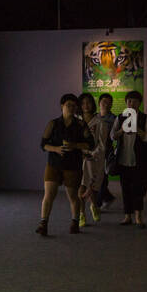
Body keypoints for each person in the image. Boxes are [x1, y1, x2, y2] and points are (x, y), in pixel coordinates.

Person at [36, 93, 91, 235]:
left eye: (73, 106)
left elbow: (90, 144)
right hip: (54, 163)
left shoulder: (80, 125)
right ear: (62, 106)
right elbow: (43, 145)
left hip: (72, 165)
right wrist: (55, 149)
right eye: (68, 105)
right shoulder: (53, 124)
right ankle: (43, 223)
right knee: (49, 194)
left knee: (73, 196)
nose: (71, 108)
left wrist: (75, 146)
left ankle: (74, 222)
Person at [110, 90, 147, 226]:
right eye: (129, 101)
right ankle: (127, 216)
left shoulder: (146, 118)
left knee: (138, 189)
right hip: (123, 160)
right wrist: (122, 130)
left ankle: (138, 217)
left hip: (139, 160)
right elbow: (112, 136)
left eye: (134, 101)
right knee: (125, 189)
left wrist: (137, 129)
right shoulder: (120, 117)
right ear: (126, 102)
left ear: (139, 103)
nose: (131, 103)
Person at [77, 93, 104, 224]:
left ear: (93, 104)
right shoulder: (76, 121)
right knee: (80, 187)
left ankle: (93, 205)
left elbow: (102, 144)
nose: (85, 106)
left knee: (90, 187)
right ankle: (81, 214)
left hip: (92, 160)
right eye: (82, 103)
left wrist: (91, 154)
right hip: (78, 159)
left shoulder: (99, 122)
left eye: (88, 102)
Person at [95, 93, 118, 206]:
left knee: (103, 177)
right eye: (104, 101)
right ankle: (108, 197)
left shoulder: (114, 119)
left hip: (106, 152)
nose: (106, 104)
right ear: (99, 103)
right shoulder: (94, 117)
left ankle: (97, 204)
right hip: (94, 152)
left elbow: (115, 136)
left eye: (109, 102)